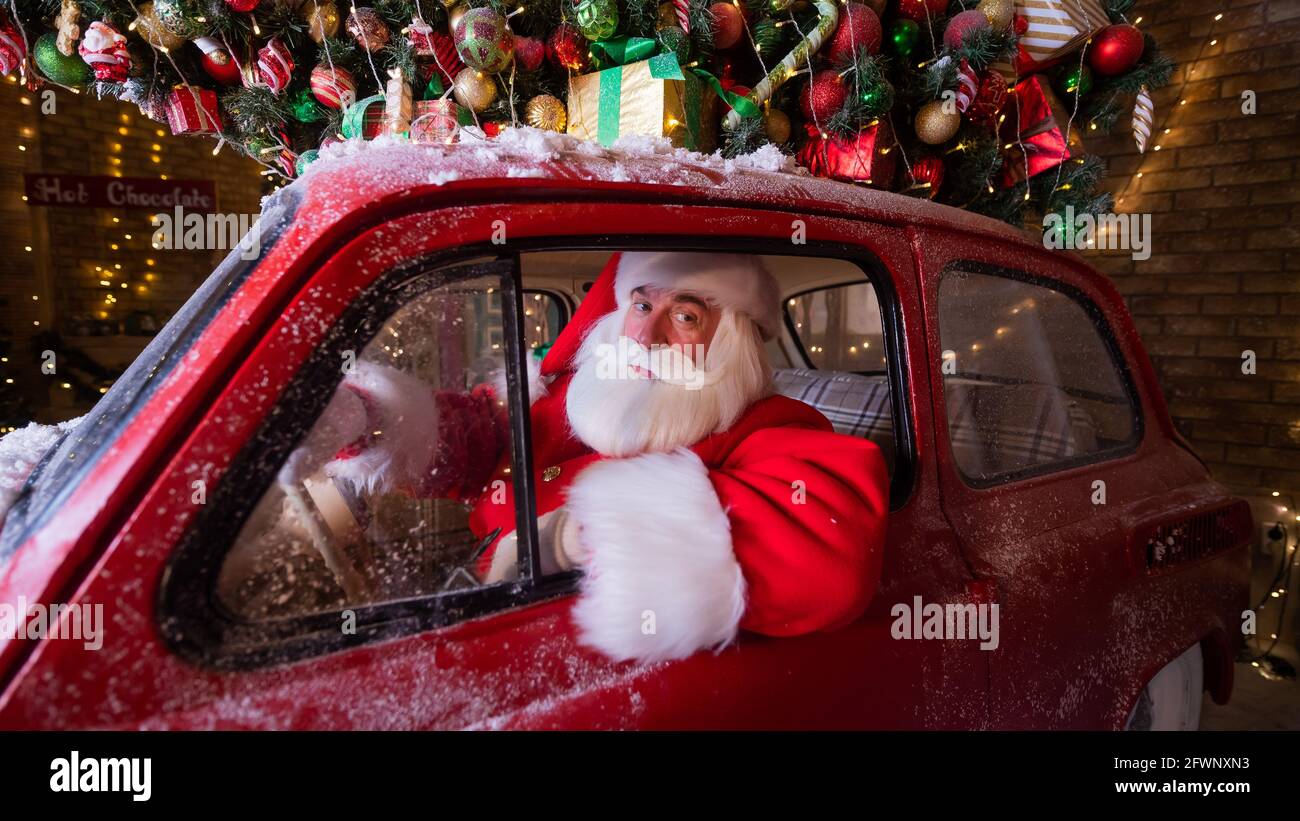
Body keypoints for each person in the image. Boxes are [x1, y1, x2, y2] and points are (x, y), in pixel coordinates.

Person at [283, 251, 890, 663]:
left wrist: (577, 537)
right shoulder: (591, 400)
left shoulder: (763, 427)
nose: (646, 336)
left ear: (729, 342)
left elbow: (829, 565)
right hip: (481, 619)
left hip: (565, 661)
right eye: (643, 305)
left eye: (685, 315)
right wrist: (362, 418)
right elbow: (481, 441)